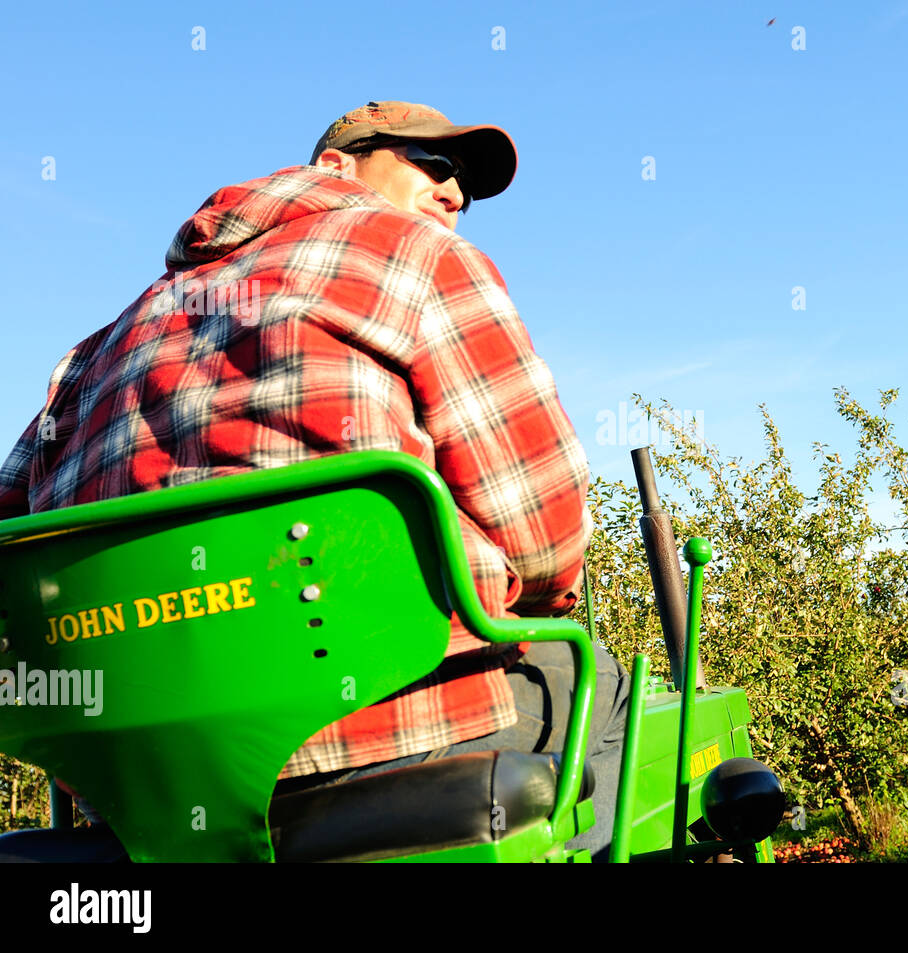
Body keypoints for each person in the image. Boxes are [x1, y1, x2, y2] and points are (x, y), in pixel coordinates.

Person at [0, 100, 628, 860]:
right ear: (335, 167)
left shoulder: (91, 353)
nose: (455, 193)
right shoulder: (415, 255)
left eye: (462, 181)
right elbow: (545, 536)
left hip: (136, 792)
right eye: (431, 164)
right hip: (393, 726)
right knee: (612, 691)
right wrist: (532, 596)